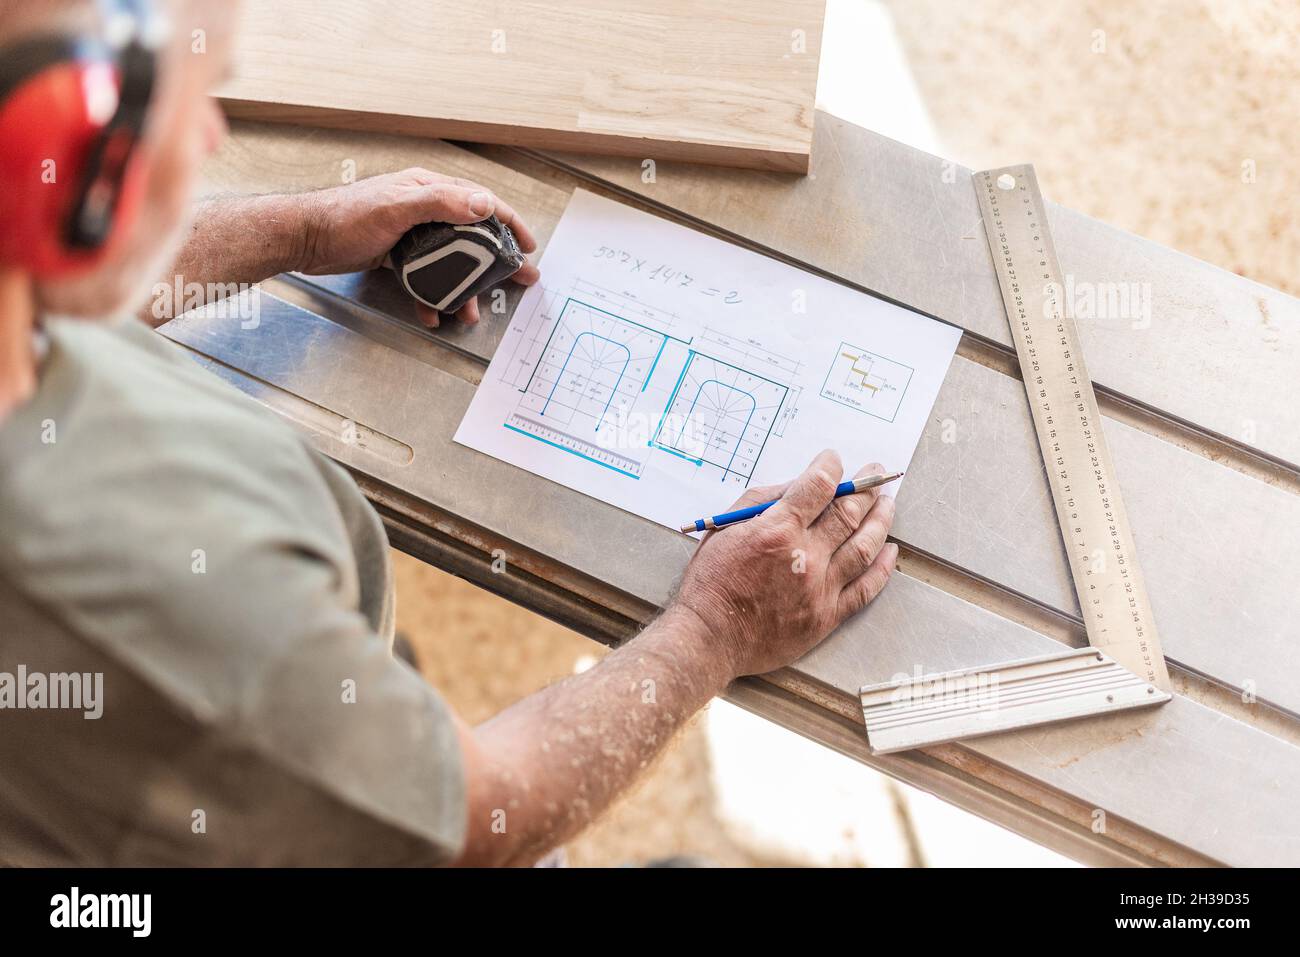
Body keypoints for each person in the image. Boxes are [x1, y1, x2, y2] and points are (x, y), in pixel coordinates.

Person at [0, 0, 899, 866]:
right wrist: (715, 628)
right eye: (188, 100)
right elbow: (475, 826)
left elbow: (50, 282)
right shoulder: (169, 596)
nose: (208, 137)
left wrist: (302, 230)